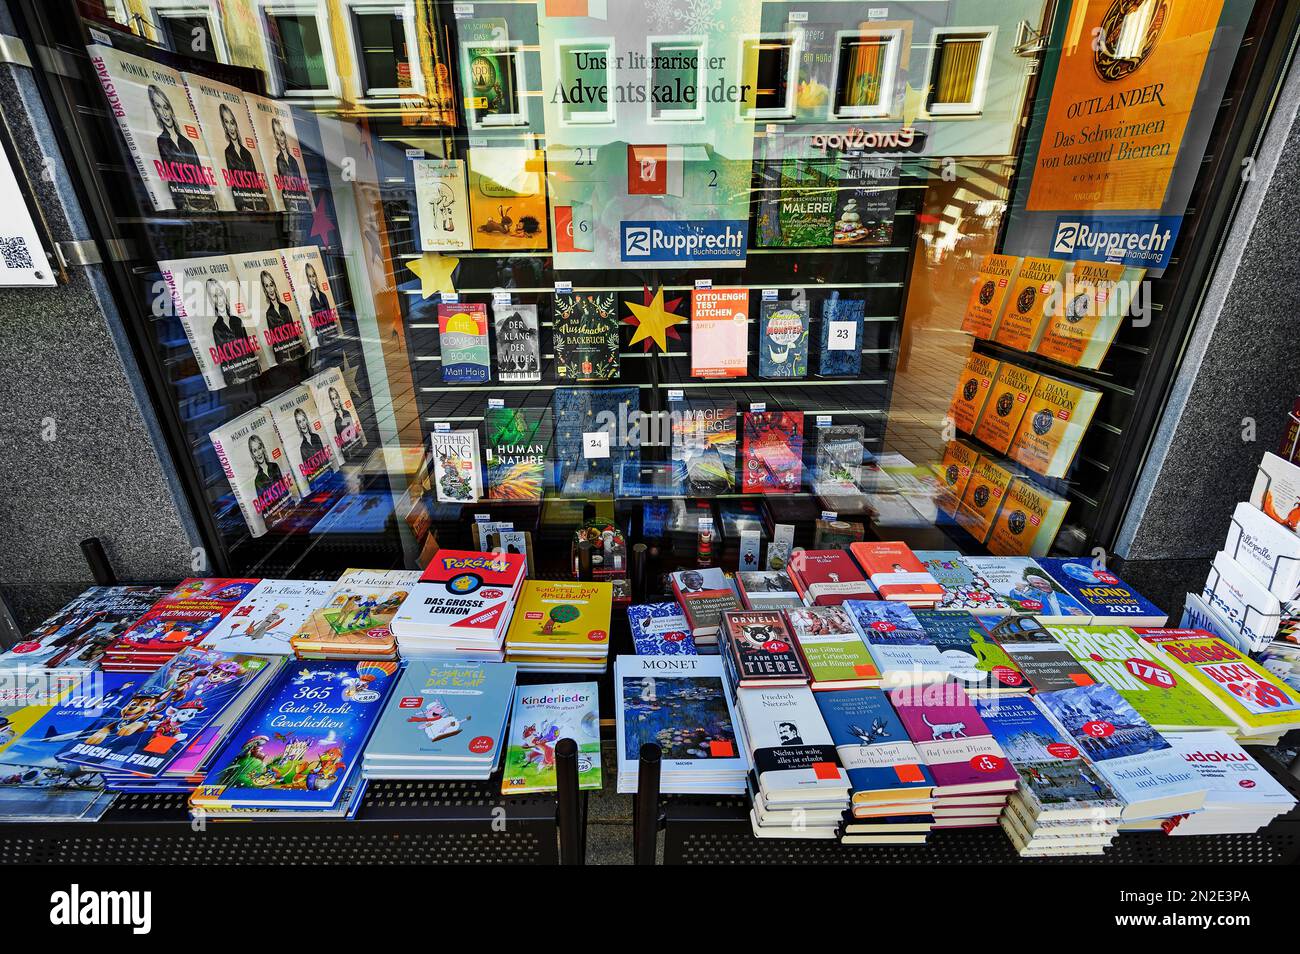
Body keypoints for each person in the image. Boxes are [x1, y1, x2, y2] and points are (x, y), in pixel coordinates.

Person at [148, 84, 214, 210]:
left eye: (166, 107)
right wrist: (182, 205)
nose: (164, 113)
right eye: (158, 107)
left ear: (171, 110)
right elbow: (171, 179)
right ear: (156, 112)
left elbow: (201, 175)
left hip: (205, 204)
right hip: (187, 206)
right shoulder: (161, 141)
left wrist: (210, 203)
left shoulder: (187, 142)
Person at [207, 277, 251, 382]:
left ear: (224, 295)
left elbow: (249, 348)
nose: (219, 299)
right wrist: (231, 379)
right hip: (237, 379)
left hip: (251, 372)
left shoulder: (237, 320)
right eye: (214, 296)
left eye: (220, 294)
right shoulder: (216, 328)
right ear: (211, 300)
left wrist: (254, 370)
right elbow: (223, 359)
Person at [259, 269, 305, 361]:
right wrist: (281, 358)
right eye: (267, 286)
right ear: (265, 289)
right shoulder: (269, 314)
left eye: (271, 285)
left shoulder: (285, 307)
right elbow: (275, 341)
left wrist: (300, 351)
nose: (270, 289)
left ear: (275, 286)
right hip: (283, 358)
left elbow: (294, 332)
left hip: (297, 353)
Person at [294, 407, 327, 482]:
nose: (302, 424)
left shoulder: (316, 437)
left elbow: (325, 458)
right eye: (299, 422)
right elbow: (308, 472)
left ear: (306, 420)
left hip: (327, 474)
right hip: (317, 480)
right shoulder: (302, 448)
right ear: (298, 425)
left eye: (303, 420)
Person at [248, 433, 284, 500]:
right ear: (253, 455)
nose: (258, 453)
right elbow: (264, 506)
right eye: (255, 451)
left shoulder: (275, 466)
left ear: (263, 448)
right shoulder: (257, 481)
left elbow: (285, 490)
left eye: (259, 448)